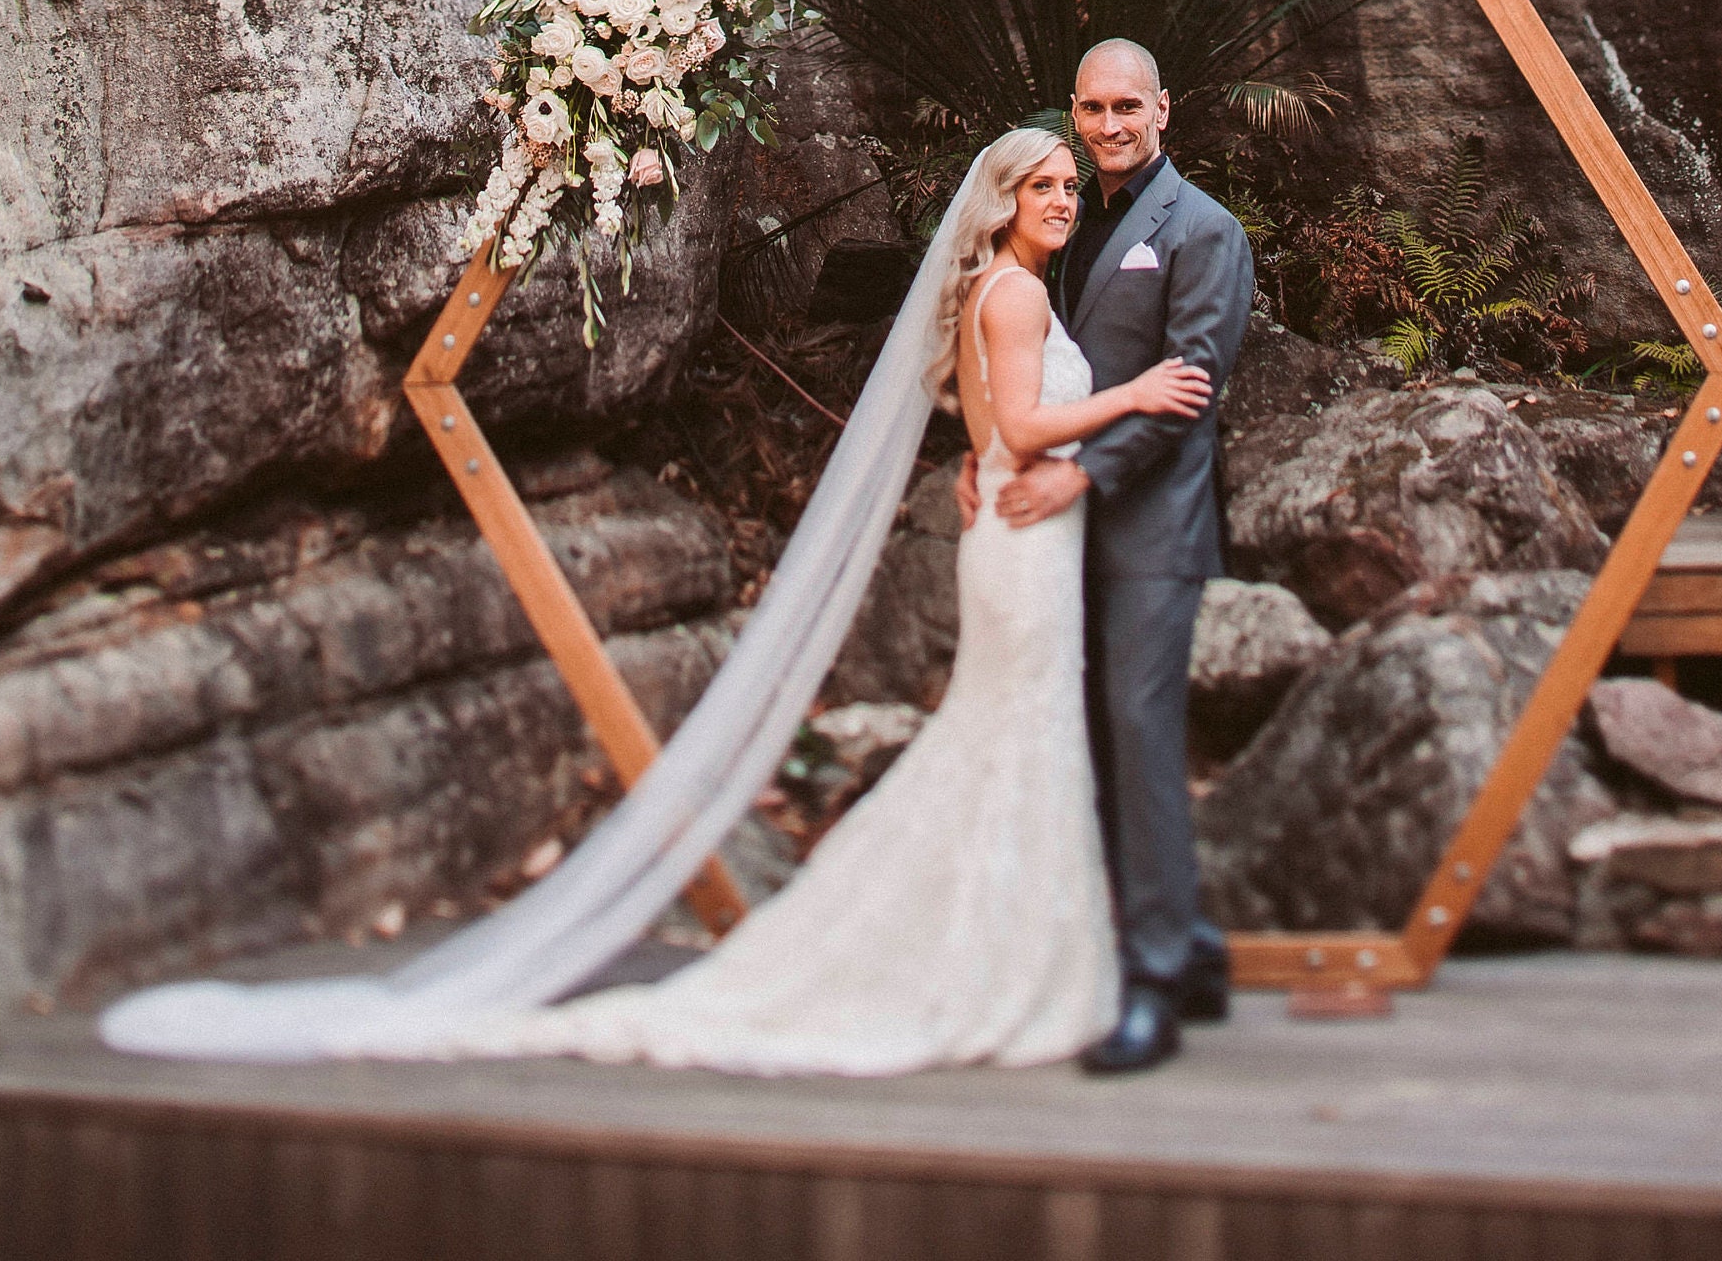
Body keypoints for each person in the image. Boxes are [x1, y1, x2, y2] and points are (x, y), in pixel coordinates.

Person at [434, 124, 1213, 1074]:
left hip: (1023, 537)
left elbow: (988, 428)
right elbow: (1022, 422)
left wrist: (984, 457)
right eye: (1041, 187)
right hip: (1025, 546)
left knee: (1013, 739)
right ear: (1000, 202)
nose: (1061, 200)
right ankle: (988, 960)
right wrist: (1132, 398)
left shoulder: (1009, 291)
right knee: (1014, 735)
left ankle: (1001, 950)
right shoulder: (1012, 296)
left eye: (1067, 186)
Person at [963, 38, 1254, 1075]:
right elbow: (1026, 368)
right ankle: (1192, 947)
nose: (1107, 126)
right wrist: (990, 452)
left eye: (1126, 106)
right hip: (1061, 530)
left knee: (1138, 734)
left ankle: (1154, 980)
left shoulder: (1203, 230)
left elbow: (1192, 388)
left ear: (1163, 109)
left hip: (1150, 527)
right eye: (1089, 110)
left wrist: (1082, 475)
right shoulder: (1066, 227)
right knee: (1087, 732)